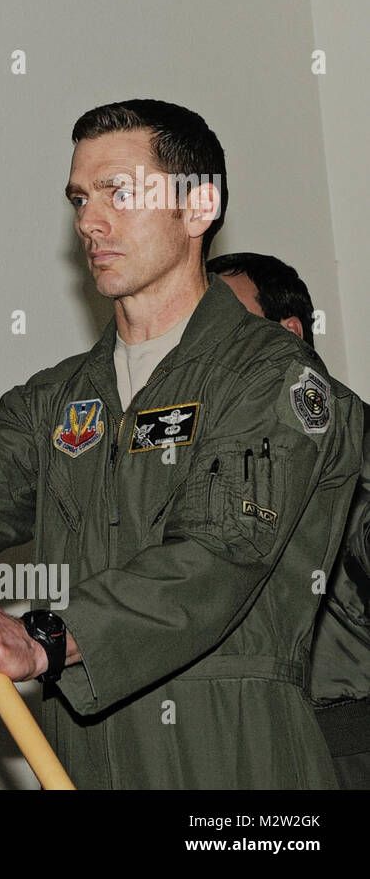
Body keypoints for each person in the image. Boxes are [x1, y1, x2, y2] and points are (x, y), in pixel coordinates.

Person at [0, 100, 364, 788]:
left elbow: (218, 557)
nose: (90, 220)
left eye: (120, 192)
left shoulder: (272, 376)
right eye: (80, 198)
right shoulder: (58, 398)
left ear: (199, 206)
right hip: (83, 748)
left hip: (234, 749)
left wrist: (44, 636)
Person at [207, 252, 370, 789]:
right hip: (248, 743)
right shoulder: (209, 446)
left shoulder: (347, 435)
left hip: (346, 741)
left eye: (227, 317)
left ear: (290, 333)